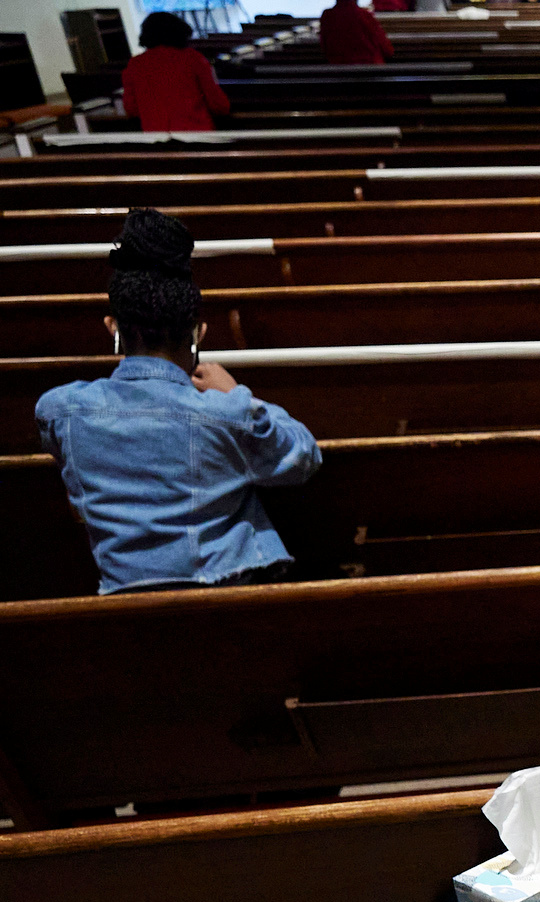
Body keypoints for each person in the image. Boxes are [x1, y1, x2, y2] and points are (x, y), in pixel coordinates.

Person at [34, 211, 320, 597]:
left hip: (125, 608)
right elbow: (303, 456)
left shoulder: (59, 411)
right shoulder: (228, 416)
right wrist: (238, 395)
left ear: (112, 329)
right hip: (229, 603)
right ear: (197, 334)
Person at [121, 12, 229, 134]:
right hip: (197, 134)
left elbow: (131, 108)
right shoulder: (193, 58)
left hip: (156, 137)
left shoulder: (136, 64)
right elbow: (218, 105)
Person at [318, 0, 394, 66]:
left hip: (339, 73)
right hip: (370, 72)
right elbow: (387, 49)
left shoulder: (327, 16)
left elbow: (325, 48)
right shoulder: (364, 16)